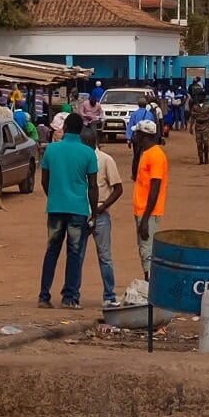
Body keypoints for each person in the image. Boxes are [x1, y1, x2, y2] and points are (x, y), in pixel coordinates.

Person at [37, 115, 100, 310]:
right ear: (81, 130)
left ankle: (44, 296)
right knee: (74, 253)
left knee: (52, 251)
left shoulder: (51, 150)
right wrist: (94, 212)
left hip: (55, 208)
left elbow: (44, 181)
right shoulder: (88, 153)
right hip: (78, 210)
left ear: (64, 127)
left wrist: (54, 196)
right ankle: (69, 297)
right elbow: (93, 186)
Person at [88, 122, 127, 309]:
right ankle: (72, 294)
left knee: (104, 255)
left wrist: (103, 208)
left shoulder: (105, 160)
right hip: (82, 212)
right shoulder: (81, 159)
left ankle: (109, 294)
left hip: (100, 213)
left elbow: (118, 189)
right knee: (77, 254)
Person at [132, 120, 168, 285]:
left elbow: (155, 188)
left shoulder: (155, 156)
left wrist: (145, 219)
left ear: (144, 135)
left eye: (137, 133)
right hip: (142, 210)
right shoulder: (146, 153)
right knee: (143, 249)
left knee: (147, 251)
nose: (134, 135)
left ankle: (150, 287)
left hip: (148, 212)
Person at [189, 90, 209, 166]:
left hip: (206, 126)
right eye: (199, 96)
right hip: (198, 126)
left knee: (206, 143)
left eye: (201, 96)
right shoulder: (195, 107)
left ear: (204, 97)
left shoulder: (208, 106)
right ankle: (201, 159)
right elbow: (193, 118)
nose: (200, 98)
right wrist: (191, 127)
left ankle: (206, 157)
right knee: (199, 144)